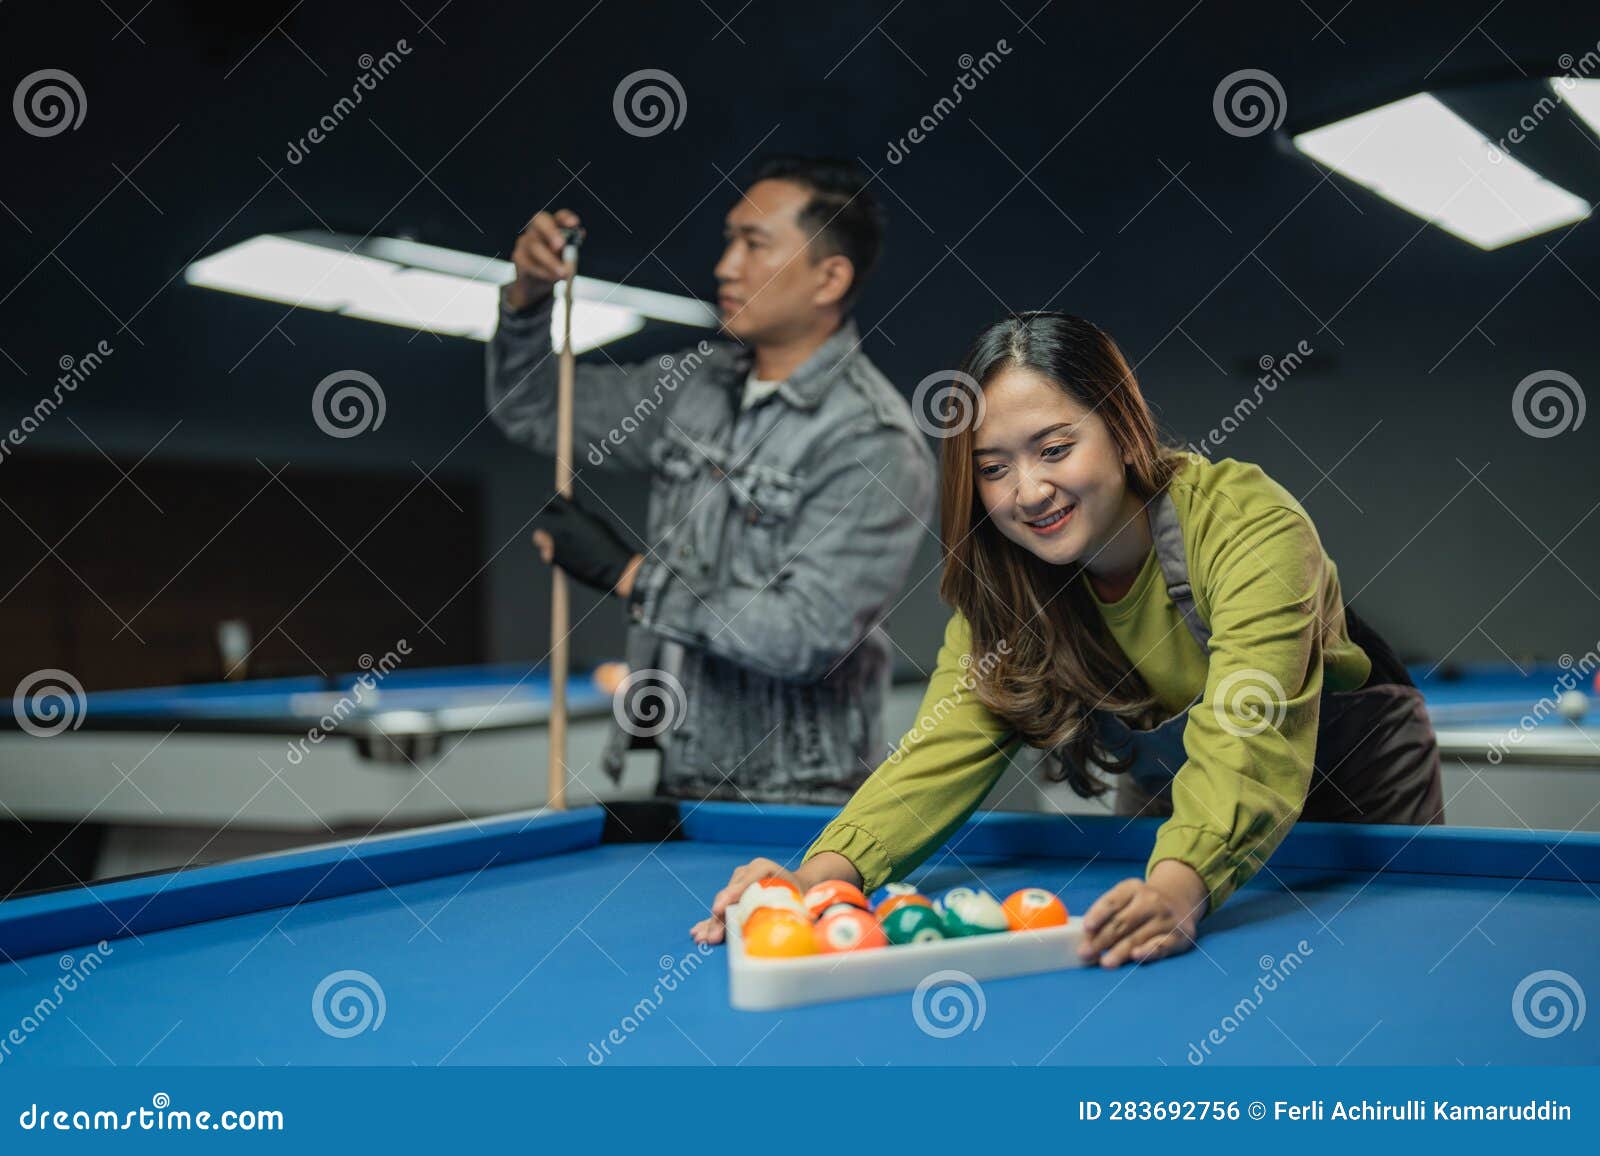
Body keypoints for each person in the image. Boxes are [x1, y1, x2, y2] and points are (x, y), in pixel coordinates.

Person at [692, 311, 1443, 965]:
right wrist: (822, 877)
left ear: (1121, 429)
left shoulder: (1249, 524)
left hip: (1354, 794)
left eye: (1054, 449)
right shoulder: (1012, 592)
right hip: (1182, 802)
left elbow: (1250, 726)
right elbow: (938, 750)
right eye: (994, 467)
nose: (1028, 491)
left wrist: (1179, 889)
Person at [486, 156, 935, 804]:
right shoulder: (693, 385)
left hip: (803, 798)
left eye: (755, 244)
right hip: (683, 772)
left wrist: (630, 576)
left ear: (829, 276)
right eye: (730, 239)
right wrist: (527, 300)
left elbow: (803, 636)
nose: (726, 265)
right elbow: (532, 406)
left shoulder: (872, 439)